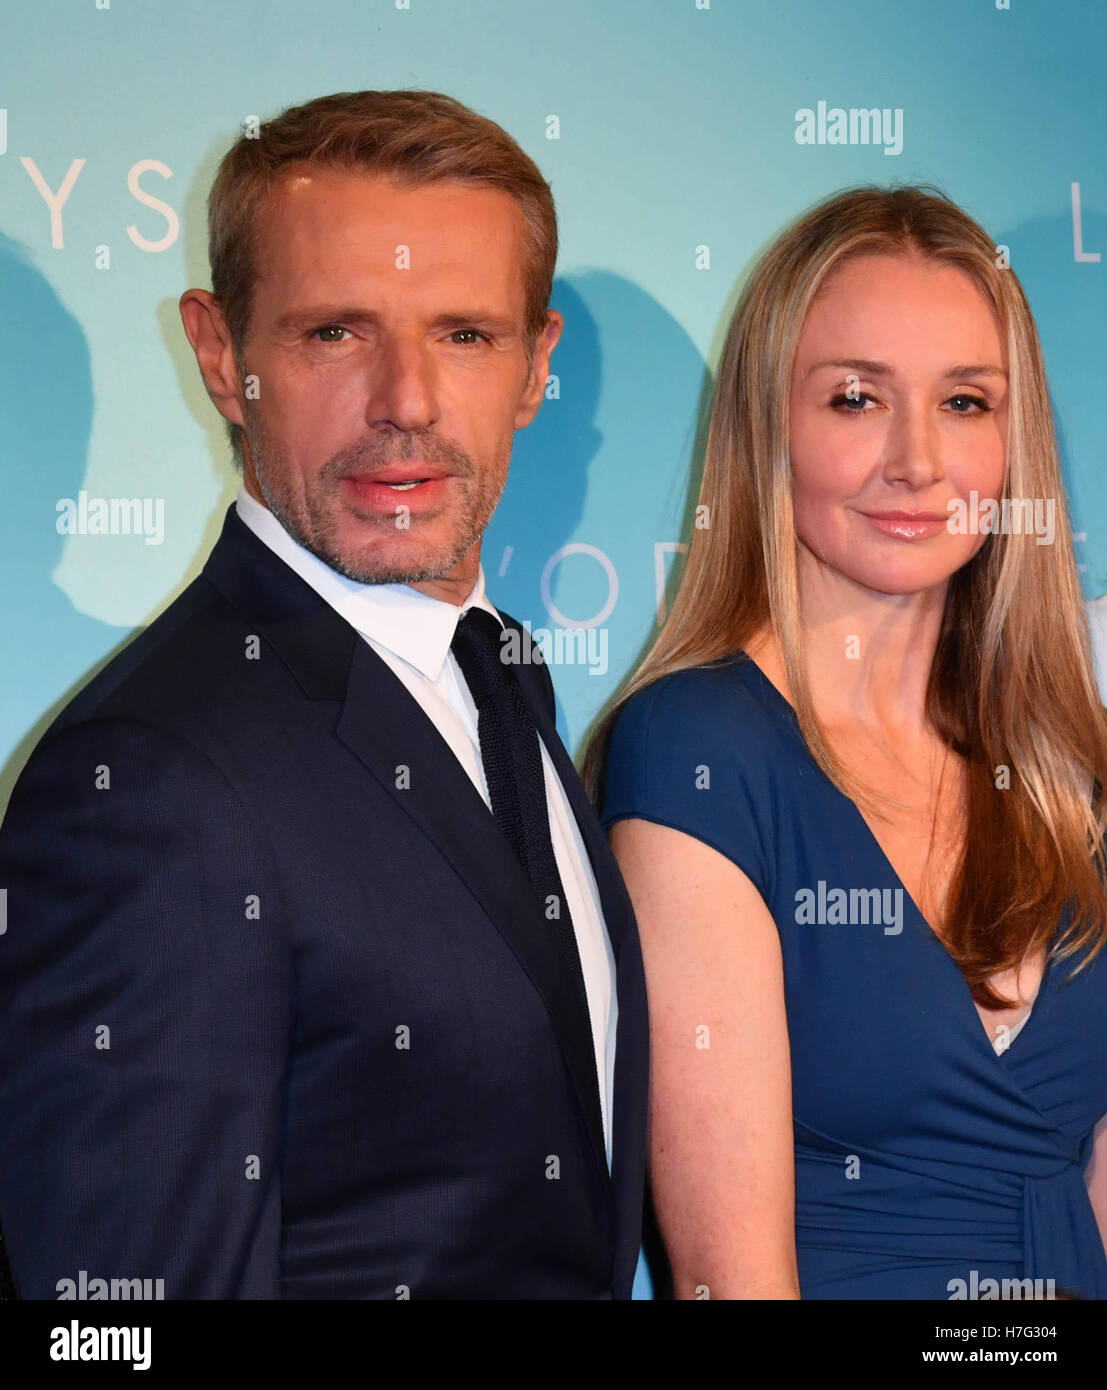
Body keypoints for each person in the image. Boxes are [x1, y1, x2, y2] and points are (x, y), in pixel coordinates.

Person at [0, 89, 648, 1300]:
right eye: (335, 334)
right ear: (218, 353)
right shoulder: (148, 778)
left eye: (464, 333)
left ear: (534, 365)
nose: (405, 400)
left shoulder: (499, 693)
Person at [588, 185, 1107, 1300]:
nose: (917, 460)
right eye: (858, 398)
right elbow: (728, 1280)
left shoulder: (1072, 769)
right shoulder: (699, 754)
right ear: (768, 425)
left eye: (967, 402)